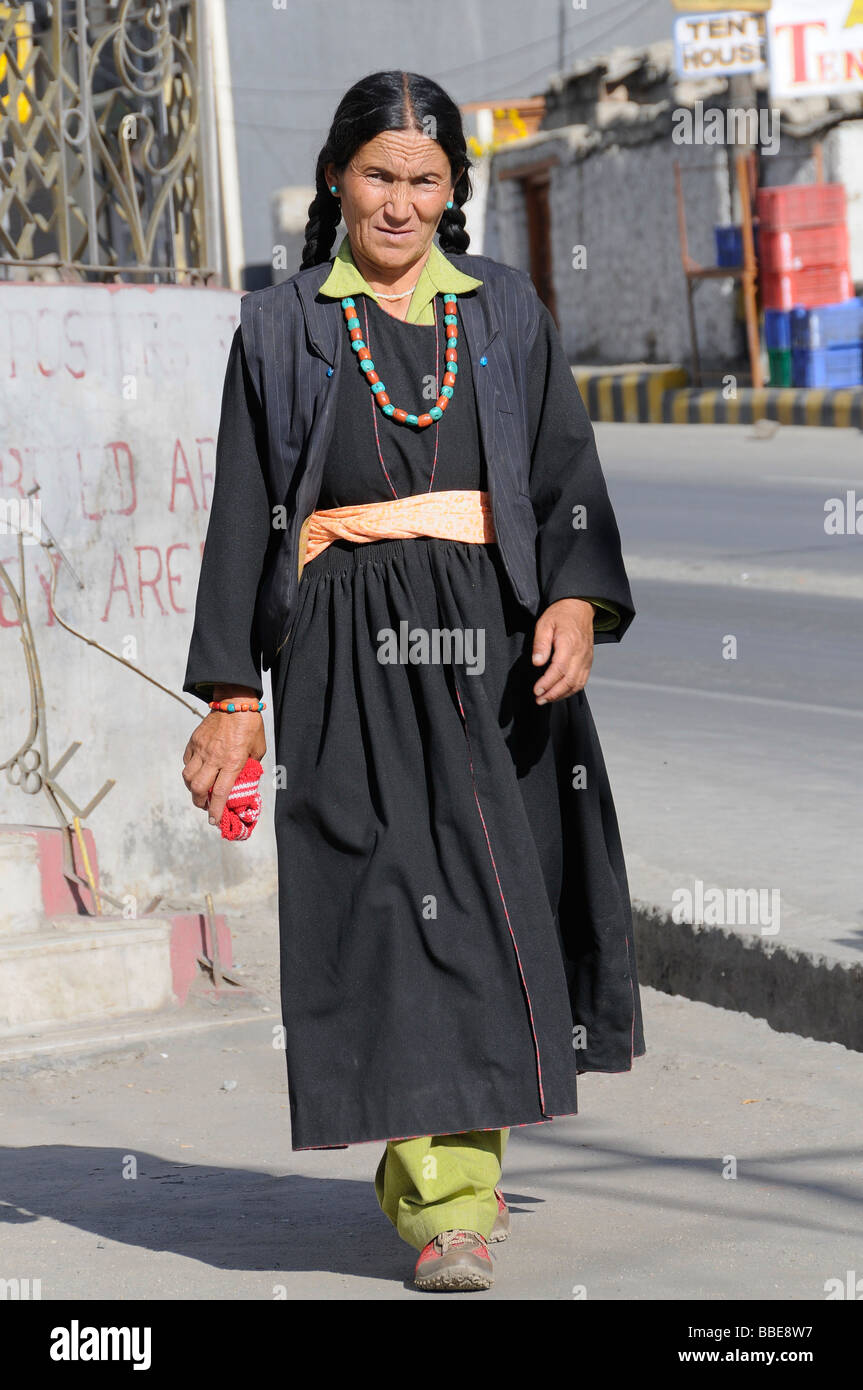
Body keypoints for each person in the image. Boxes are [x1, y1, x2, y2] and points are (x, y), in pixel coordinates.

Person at [181, 69, 644, 1294]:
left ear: (454, 194)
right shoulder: (282, 327)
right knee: (383, 914)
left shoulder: (500, 311)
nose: (399, 202)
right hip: (341, 655)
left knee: (489, 909)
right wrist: (232, 694)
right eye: (379, 175)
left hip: (487, 649)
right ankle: (436, 1200)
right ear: (337, 179)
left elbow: (564, 467)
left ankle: (460, 1199)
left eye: (424, 181)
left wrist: (573, 597)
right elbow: (243, 515)